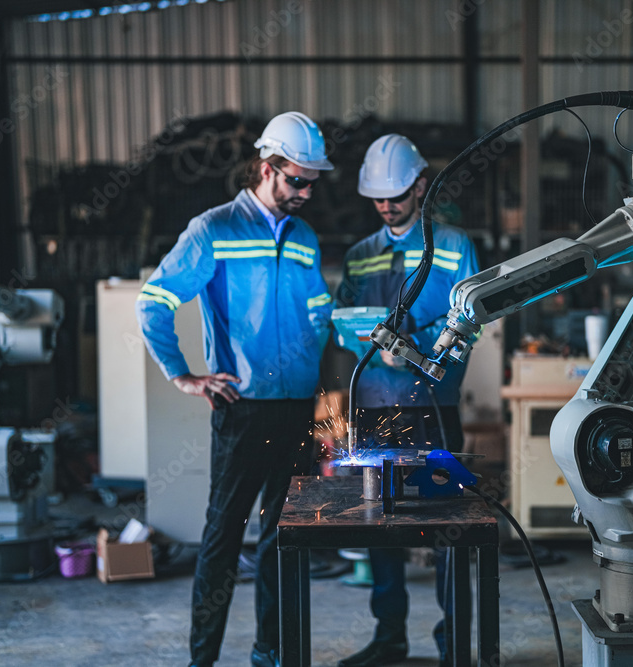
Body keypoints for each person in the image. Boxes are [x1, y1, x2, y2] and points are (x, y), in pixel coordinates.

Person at [136, 111, 335, 667]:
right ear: (267, 168)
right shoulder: (214, 230)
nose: (305, 193)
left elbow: (319, 309)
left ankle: (270, 652)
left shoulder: (304, 237)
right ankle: (202, 660)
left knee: (282, 537)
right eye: (297, 181)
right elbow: (154, 303)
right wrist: (182, 373)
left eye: (312, 183)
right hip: (242, 409)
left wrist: (324, 342)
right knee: (223, 538)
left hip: (296, 408)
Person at [335, 134, 480, 667]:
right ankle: (390, 636)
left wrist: (416, 348)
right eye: (377, 198)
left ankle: (453, 644)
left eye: (395, 195)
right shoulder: (359, 256)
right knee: (381, 531)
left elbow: (471, 318)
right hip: (374, 410)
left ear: (421, 186)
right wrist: (365, 342)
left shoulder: (455, 245)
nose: (386, 205)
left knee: (447, 530)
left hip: (433, 409)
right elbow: (341, 321)